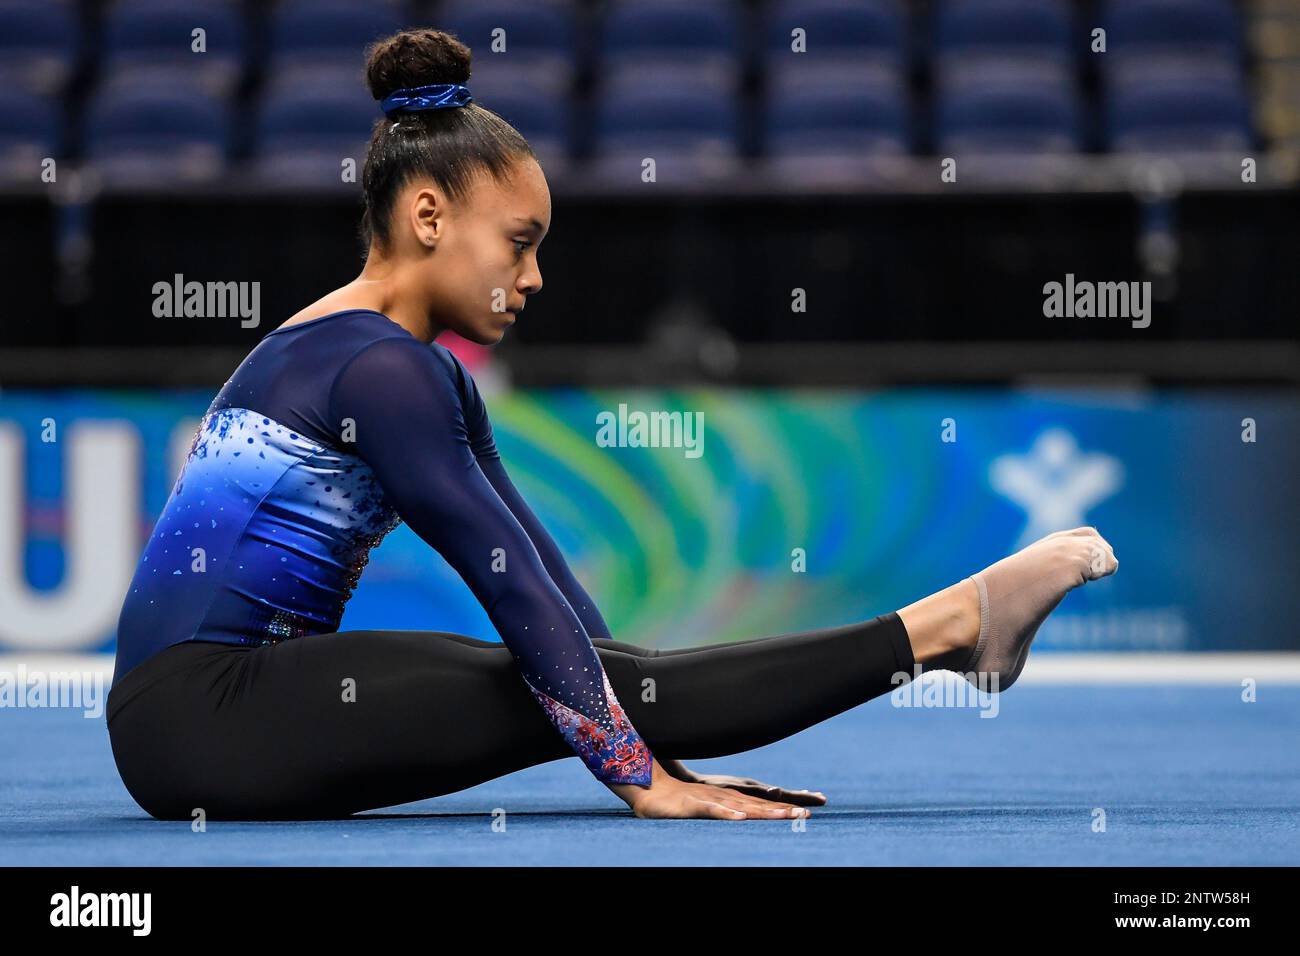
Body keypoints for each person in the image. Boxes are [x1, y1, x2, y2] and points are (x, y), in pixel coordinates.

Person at [105, 29, 1118, 822]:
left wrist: (656, 739)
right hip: (205, 720)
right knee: (574, 684)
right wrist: (642, 774)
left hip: (212, 714)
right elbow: (505, 588)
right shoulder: (377, 367)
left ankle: (952, 631)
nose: (534, 277)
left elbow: (550, 588)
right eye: (519, 243)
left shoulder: (404, 366)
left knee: (598, 677)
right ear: (426, 219)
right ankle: (947, 627)